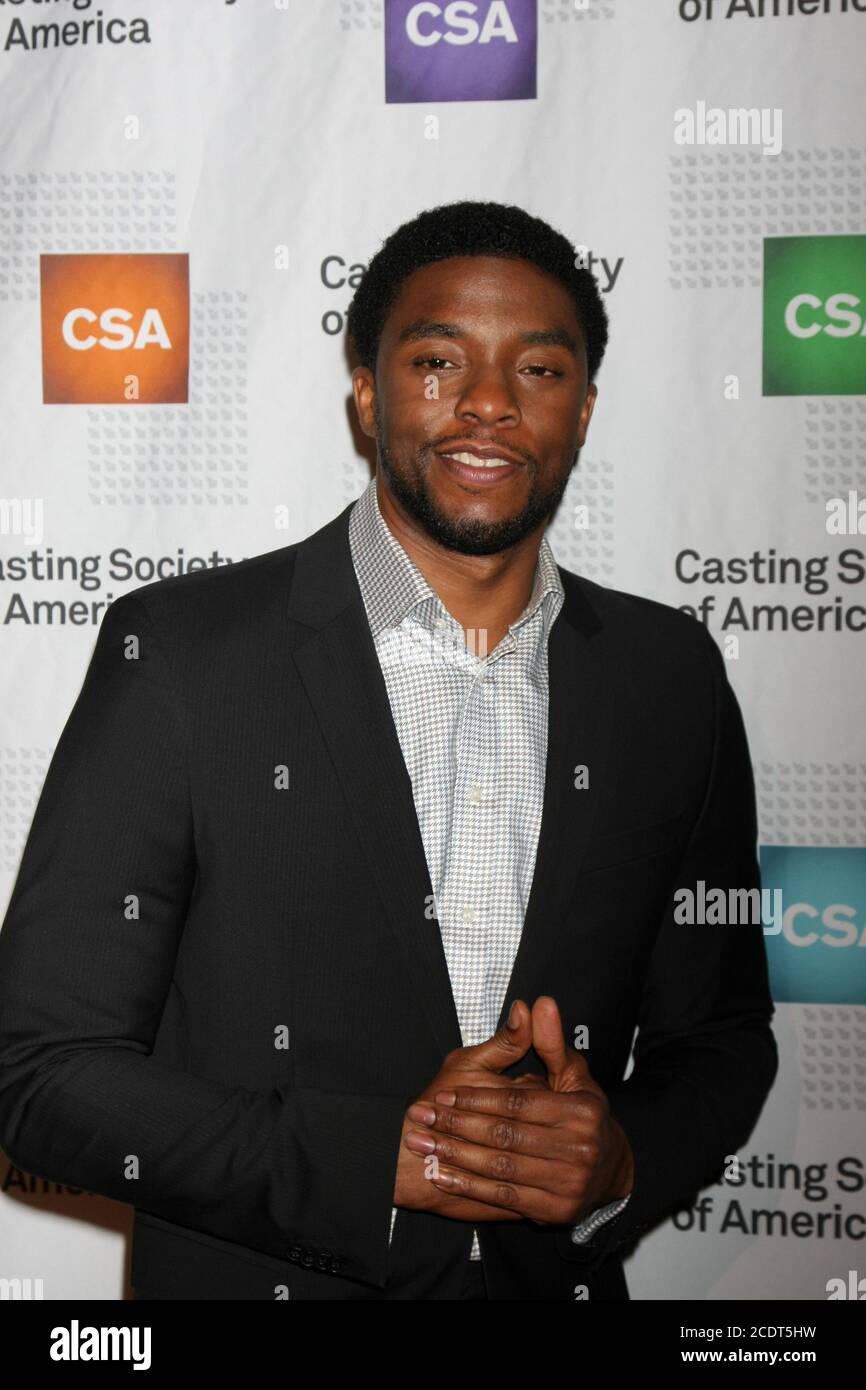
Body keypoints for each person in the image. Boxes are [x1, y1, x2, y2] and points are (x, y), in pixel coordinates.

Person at [0, 200, 777, 1301]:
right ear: (365, 391)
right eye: (435, 360)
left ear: (586, 409)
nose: (490, 404)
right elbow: (40, 1073)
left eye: (540, 370)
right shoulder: (180, 656)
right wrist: (374, 1161)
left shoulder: (669, 677)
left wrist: (616, 1159)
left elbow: (722, 1036)